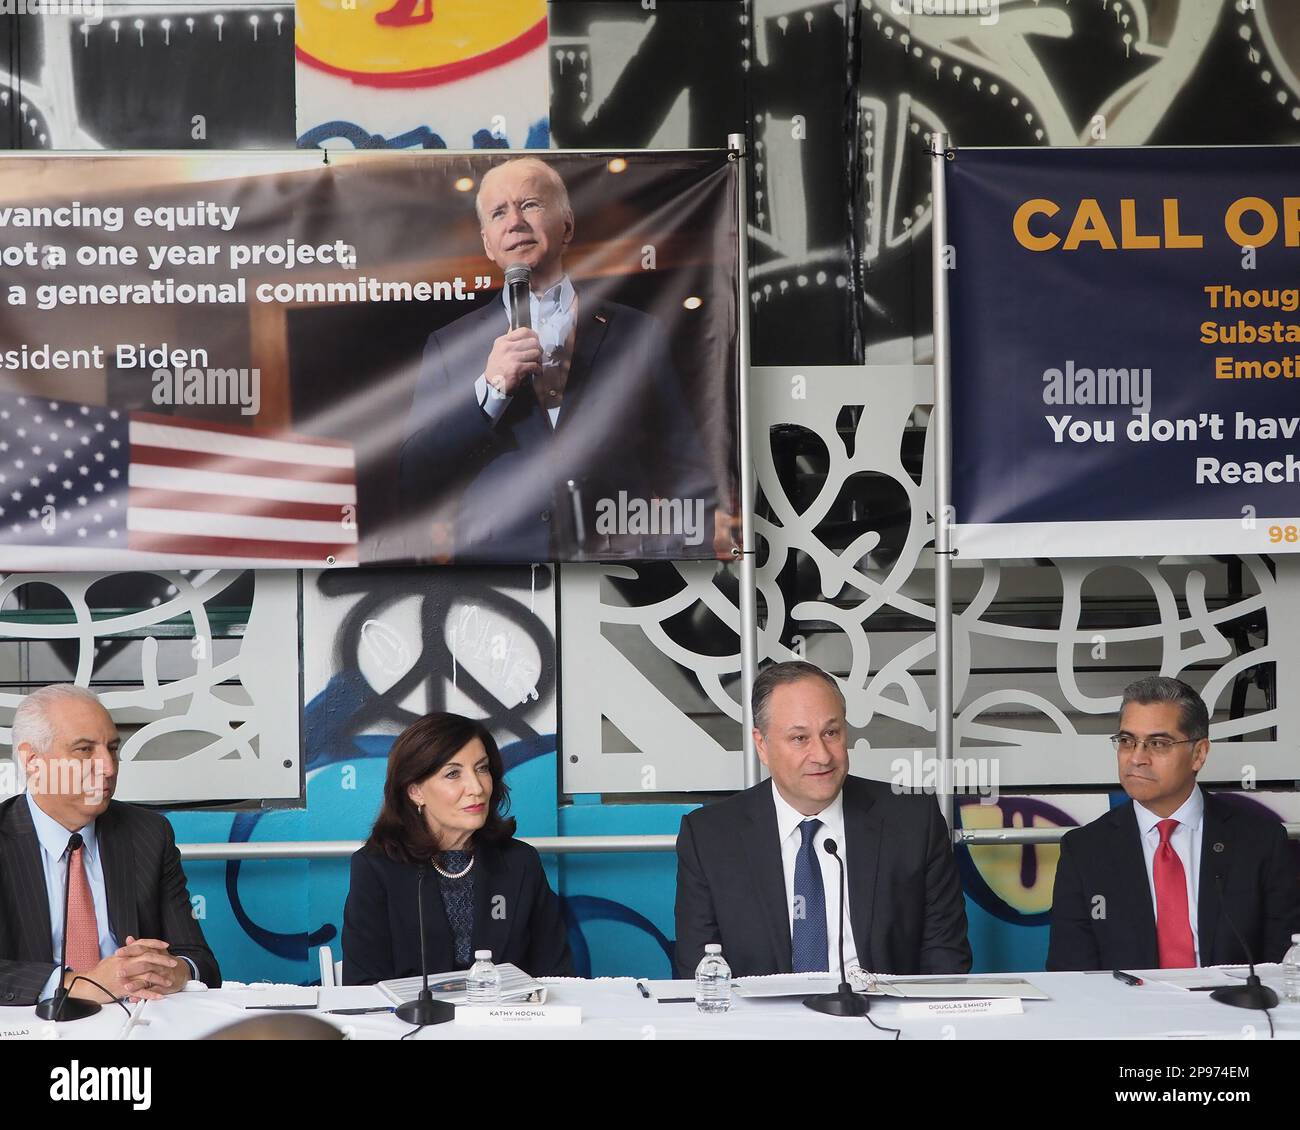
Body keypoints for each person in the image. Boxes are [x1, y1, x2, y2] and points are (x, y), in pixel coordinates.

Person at [397, 156, 719, 562]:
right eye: (499, 212)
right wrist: (491, 391)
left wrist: (688, 564)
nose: (514, 221)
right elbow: (415, 474)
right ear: (488, 244)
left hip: (620, 576)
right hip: (500, 575)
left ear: (566, 226)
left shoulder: (638, 331)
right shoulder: (450, 344)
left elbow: (685, 465)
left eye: (529, 204)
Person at [674, 660, 972, 978]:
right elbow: (698, 974)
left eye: (831, 733)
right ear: (762, 745)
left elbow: (946, 961)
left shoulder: (913, 821)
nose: (822, 755)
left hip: (882, 1020)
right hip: (763, 1024)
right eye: (800, 738)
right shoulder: (709, 838)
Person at [1047, 676, 1299, 971]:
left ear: (1198, 754)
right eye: (1127, 741)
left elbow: (1286, 970)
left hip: (1234, 1013)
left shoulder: (1261, 842)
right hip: (1125, 1014)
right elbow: (1071, 975)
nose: (1137, 758)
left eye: (1157, 743)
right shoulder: (1084, 850)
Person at [0, 684, 220, 1007]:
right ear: (34, 762)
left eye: (112, 748)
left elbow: (202, 962)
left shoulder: (148, 834)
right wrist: (76, 984)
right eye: (85, 750)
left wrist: (175, 971)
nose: (109, 767)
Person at [342, 711, 572, 983]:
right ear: (415, 791)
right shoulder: (376, 867)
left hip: (506, 1023)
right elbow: (362, 984)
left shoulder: (521, 862)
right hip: (412, 1024)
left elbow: (558, 976)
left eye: (482, 768)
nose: (476, 787)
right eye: (453, 774)